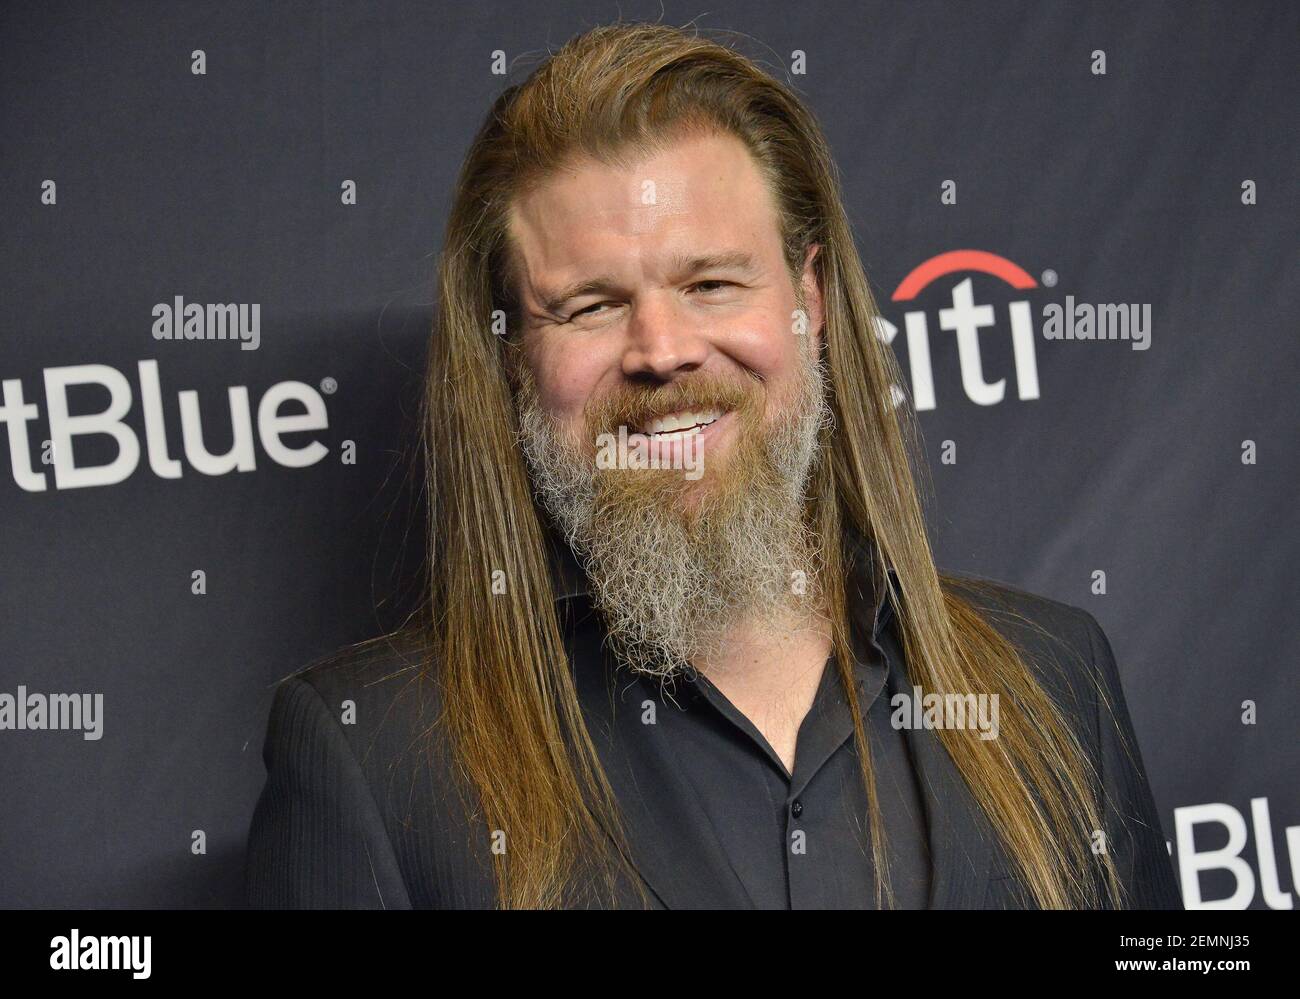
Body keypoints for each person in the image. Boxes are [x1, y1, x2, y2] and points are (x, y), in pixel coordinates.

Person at [245, 21, 1182, 910]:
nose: (662, 349)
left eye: (712, 284)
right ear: (510, 358)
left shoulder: (1054, 682)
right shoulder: (373, 760)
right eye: (589, 305)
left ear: (809, 300)